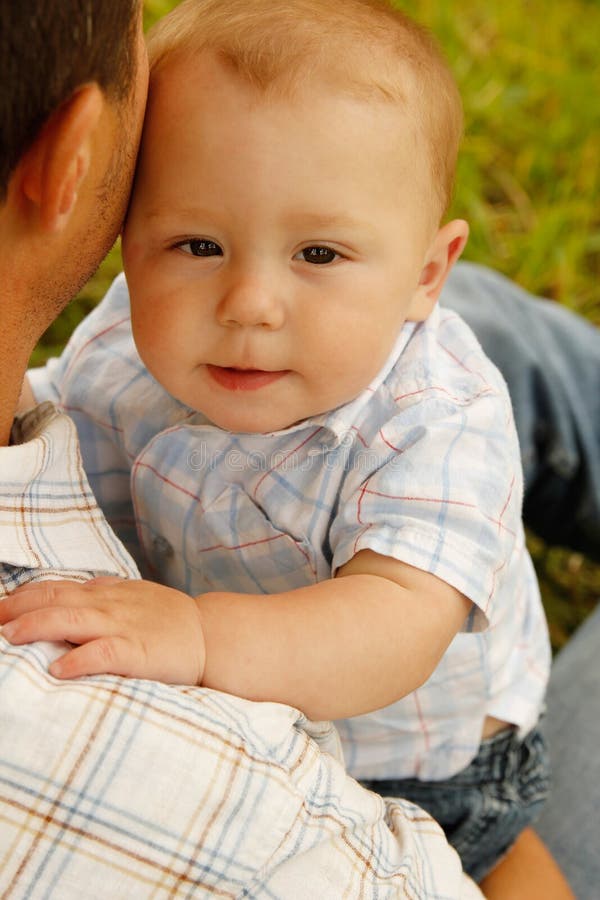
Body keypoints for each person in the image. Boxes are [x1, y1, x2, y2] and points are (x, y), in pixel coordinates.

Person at [5, 0, 555, 884]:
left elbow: (397, 624)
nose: (250, 304)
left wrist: (201, 636)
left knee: (498, 859)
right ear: (123, 243)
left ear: (425, 276)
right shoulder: (123, 347)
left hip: (426, 752)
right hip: (266, 720)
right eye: (197, 243)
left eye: (320, 255)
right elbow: (47, 424)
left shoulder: (437, 417)